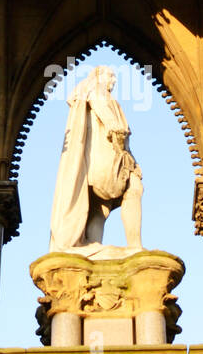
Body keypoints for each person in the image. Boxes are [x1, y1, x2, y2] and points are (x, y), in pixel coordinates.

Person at [49, 66, 143, 254]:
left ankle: (93, 244)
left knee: (99, 208)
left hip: (105, 158)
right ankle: (135, 245)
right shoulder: (94, 87)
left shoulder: (98, 93)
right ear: (99, 76)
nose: (113, 81)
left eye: (114, 77)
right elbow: (103, 109)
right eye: (110, 75)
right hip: (105, 157)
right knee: (134, 189)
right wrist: (114, 127)